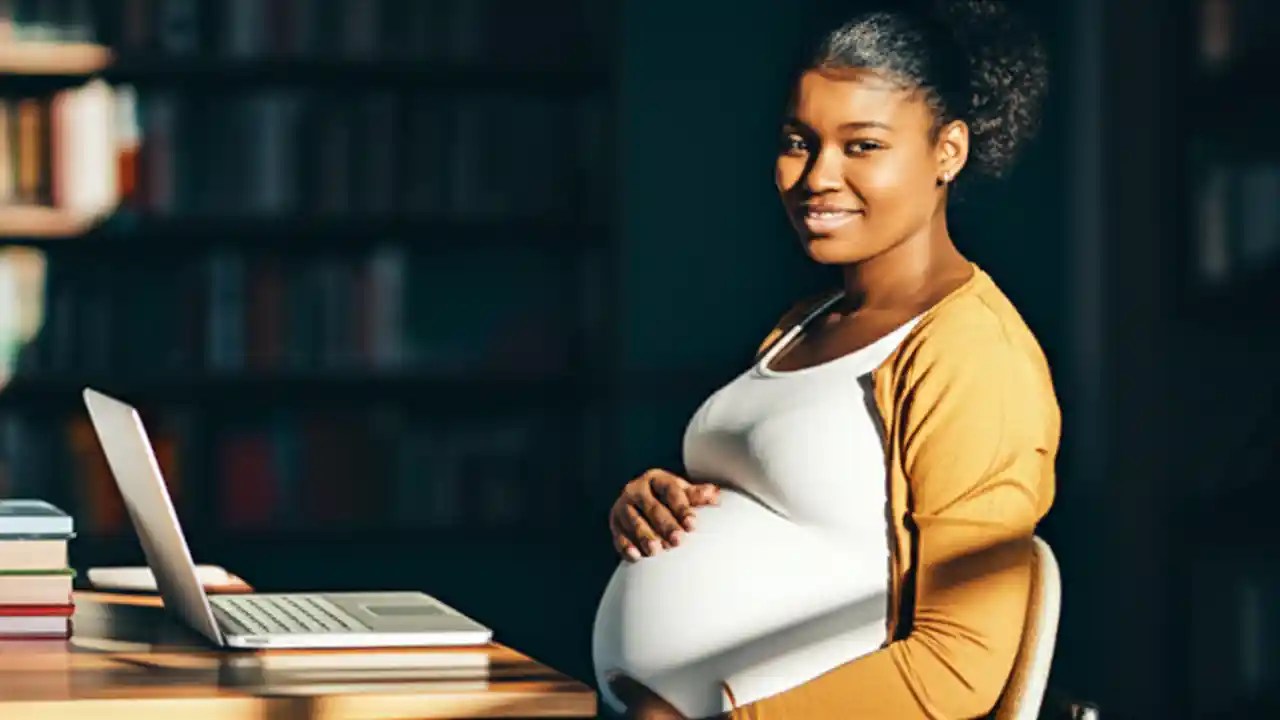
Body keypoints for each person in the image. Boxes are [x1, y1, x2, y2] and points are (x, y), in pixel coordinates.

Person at [591, 1, 1057, 718]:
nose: (816, 177)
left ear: (948, 151)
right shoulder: (800, 325)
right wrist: (653, 509)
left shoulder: (971, 354)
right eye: (798, 141)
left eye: (862, 146)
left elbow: (960, 668)